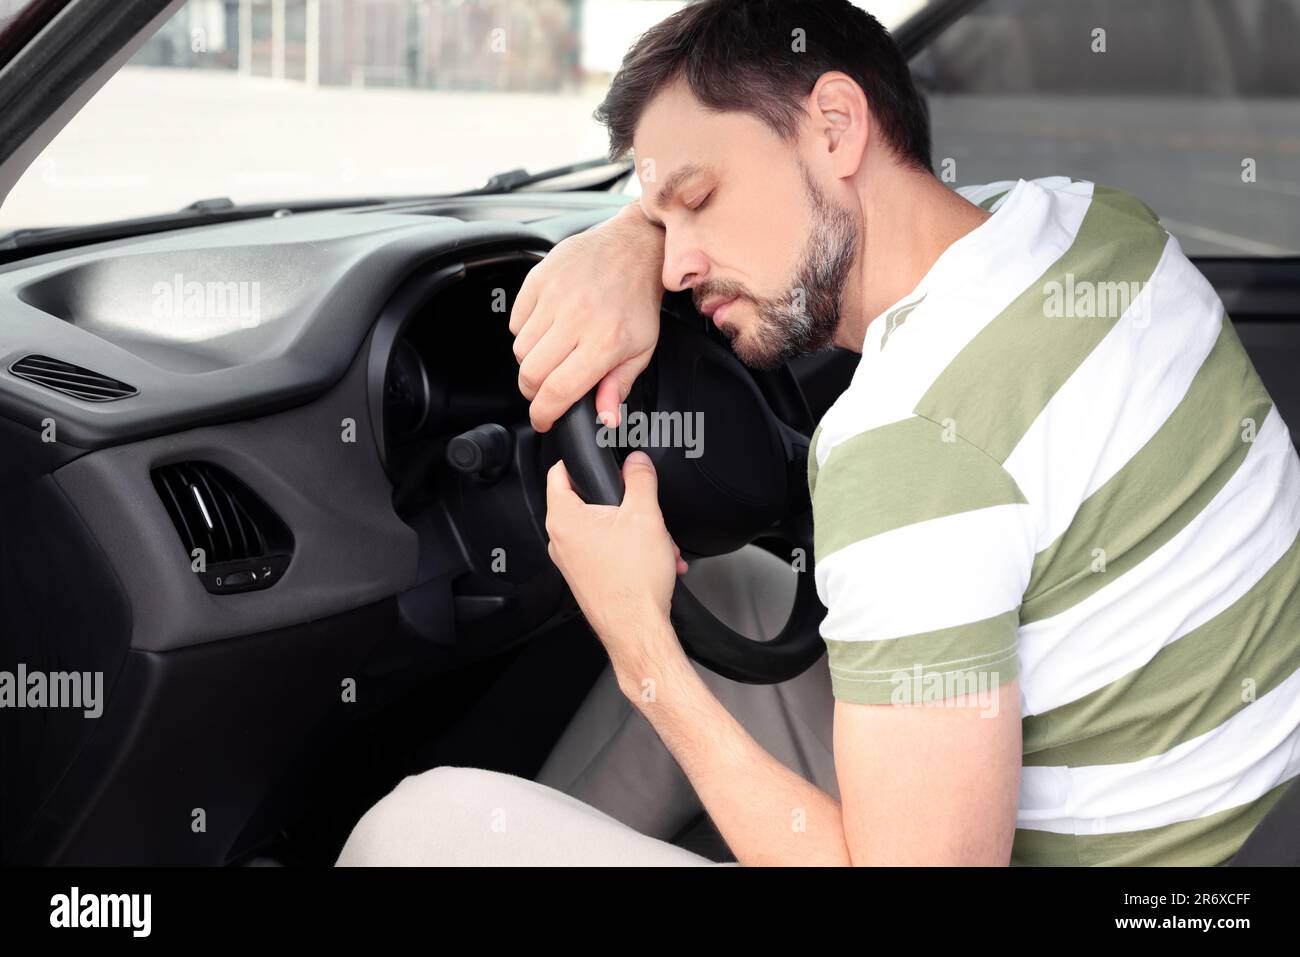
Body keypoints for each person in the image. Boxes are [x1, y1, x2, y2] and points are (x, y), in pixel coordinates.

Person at [336, 0, 1300, 867]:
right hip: (1235, 812)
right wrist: (633, 231)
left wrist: (638, 644)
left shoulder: (908, 444)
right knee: (740, 590)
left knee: (418, 827)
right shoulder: (1090, 225)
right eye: (662, 221)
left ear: (837, 126)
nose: (676, 267)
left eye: (699, 200)